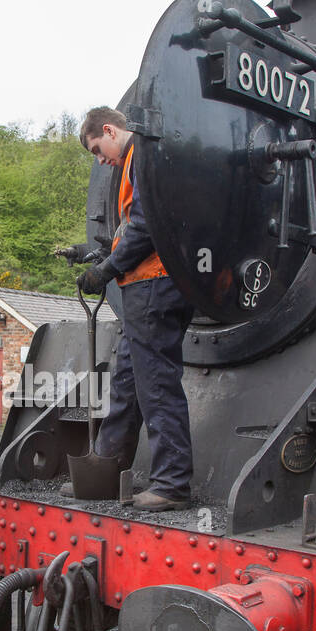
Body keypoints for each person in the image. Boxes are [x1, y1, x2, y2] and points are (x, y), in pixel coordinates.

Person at [69, 106, 195, 511]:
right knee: (126, 384)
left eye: (96, 148)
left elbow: (146, 227)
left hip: (156, 286)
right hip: (142, 290)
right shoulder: (133, 164)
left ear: (109, 129)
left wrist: (105, 270)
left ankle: (173, 483)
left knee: (156, 384)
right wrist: (92, 254)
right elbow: (130, 232)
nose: (100, 159)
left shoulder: (143, 155)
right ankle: (105, 471)